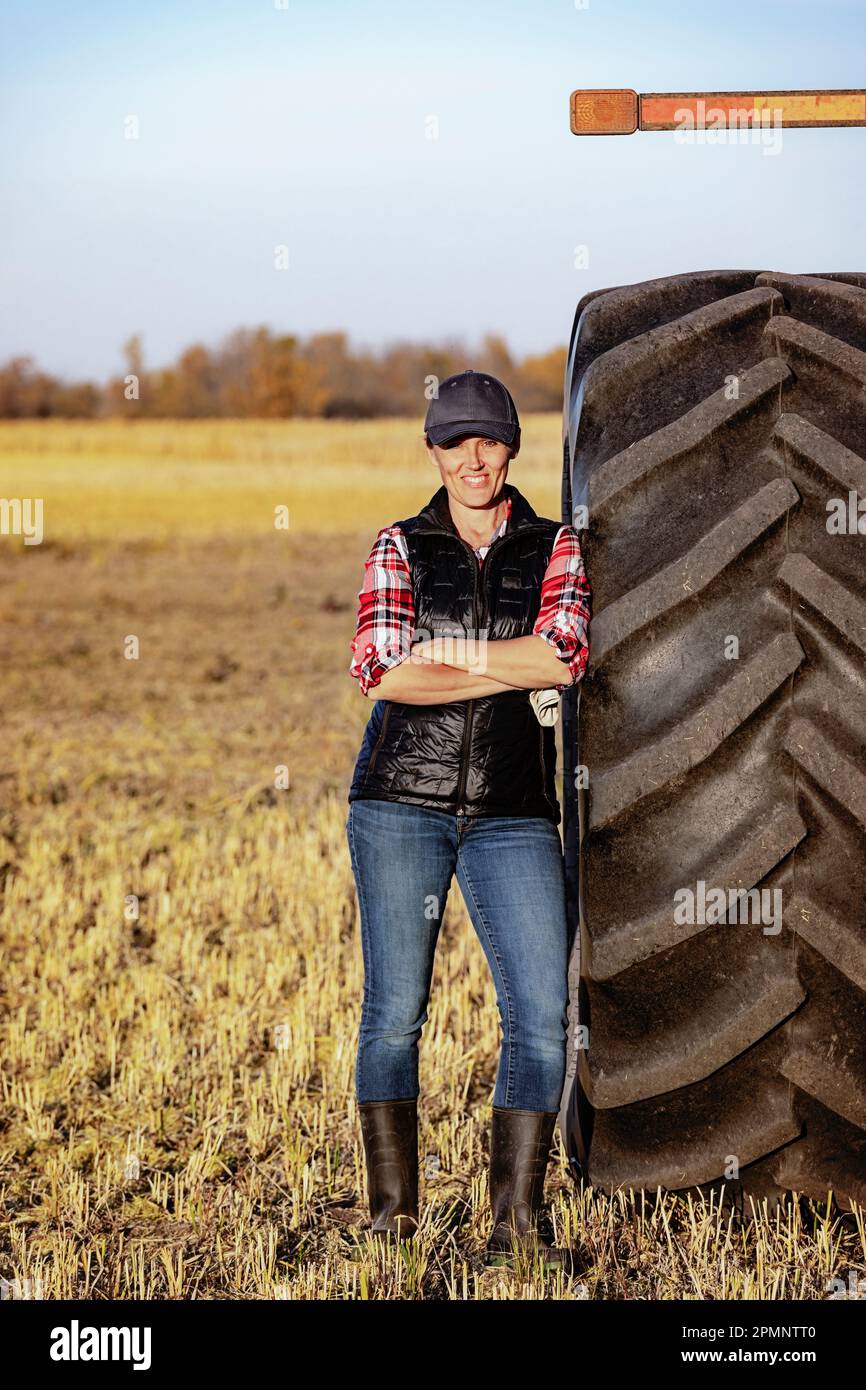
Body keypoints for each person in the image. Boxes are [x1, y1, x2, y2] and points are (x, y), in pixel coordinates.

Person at [344, 369, 591, 1269]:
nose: (475, 460)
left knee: (536, 1014)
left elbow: (564, 657)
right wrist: (509, 666)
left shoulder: (554, 544)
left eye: (490, 442)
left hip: (512, 813)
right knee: (394, 1015)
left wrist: (453, 653)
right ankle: (391, 1221)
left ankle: (515, 1229)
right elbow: (383, 671)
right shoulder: (399, 545)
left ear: (511, 448)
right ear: (433, 451)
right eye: (457, 443)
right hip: (398, 805)